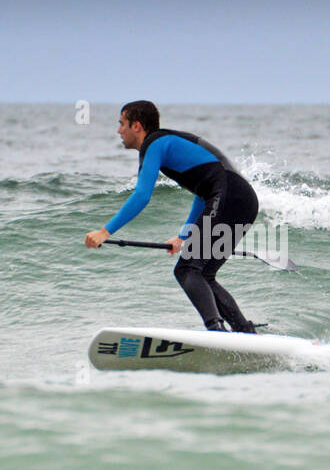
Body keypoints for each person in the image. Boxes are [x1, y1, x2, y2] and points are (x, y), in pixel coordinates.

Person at [84, 101, 259, 333]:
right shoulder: (169, 143)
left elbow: (142, 196)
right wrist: (182, 236)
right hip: (242, 199)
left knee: (187, 270)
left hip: (229, 196)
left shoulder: (154, 144)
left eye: (121, 124)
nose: (118, 131)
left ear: (136, 126)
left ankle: (216, 331)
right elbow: (203, 193)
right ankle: (245, 332)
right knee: (203, 273)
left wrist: (105, 231)